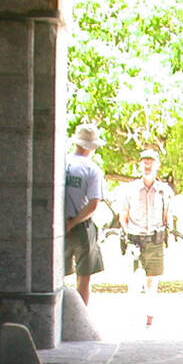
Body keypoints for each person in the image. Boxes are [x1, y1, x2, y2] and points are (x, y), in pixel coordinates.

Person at [116, 148, 174, 325]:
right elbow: (123, 215)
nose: (147, 165)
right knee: (134, 279)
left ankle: (150, 314)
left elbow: (168, 215)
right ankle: (131, 315)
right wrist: (127, 234)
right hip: (135, 238)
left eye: (151, 162)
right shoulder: (130, 189)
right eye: (144, 161)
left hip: (155, 238)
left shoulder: (164, 191)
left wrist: (167, 233)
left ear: (157, 166)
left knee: (152, 280)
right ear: (139, 165)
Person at [65, 122, 108, 307]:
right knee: (84, 277)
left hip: (56, 224)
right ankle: (81, 316)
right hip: (81, 226)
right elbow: (93, 204)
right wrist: (73, 222)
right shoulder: (92, 169)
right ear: (92, 147)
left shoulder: (61, 163)